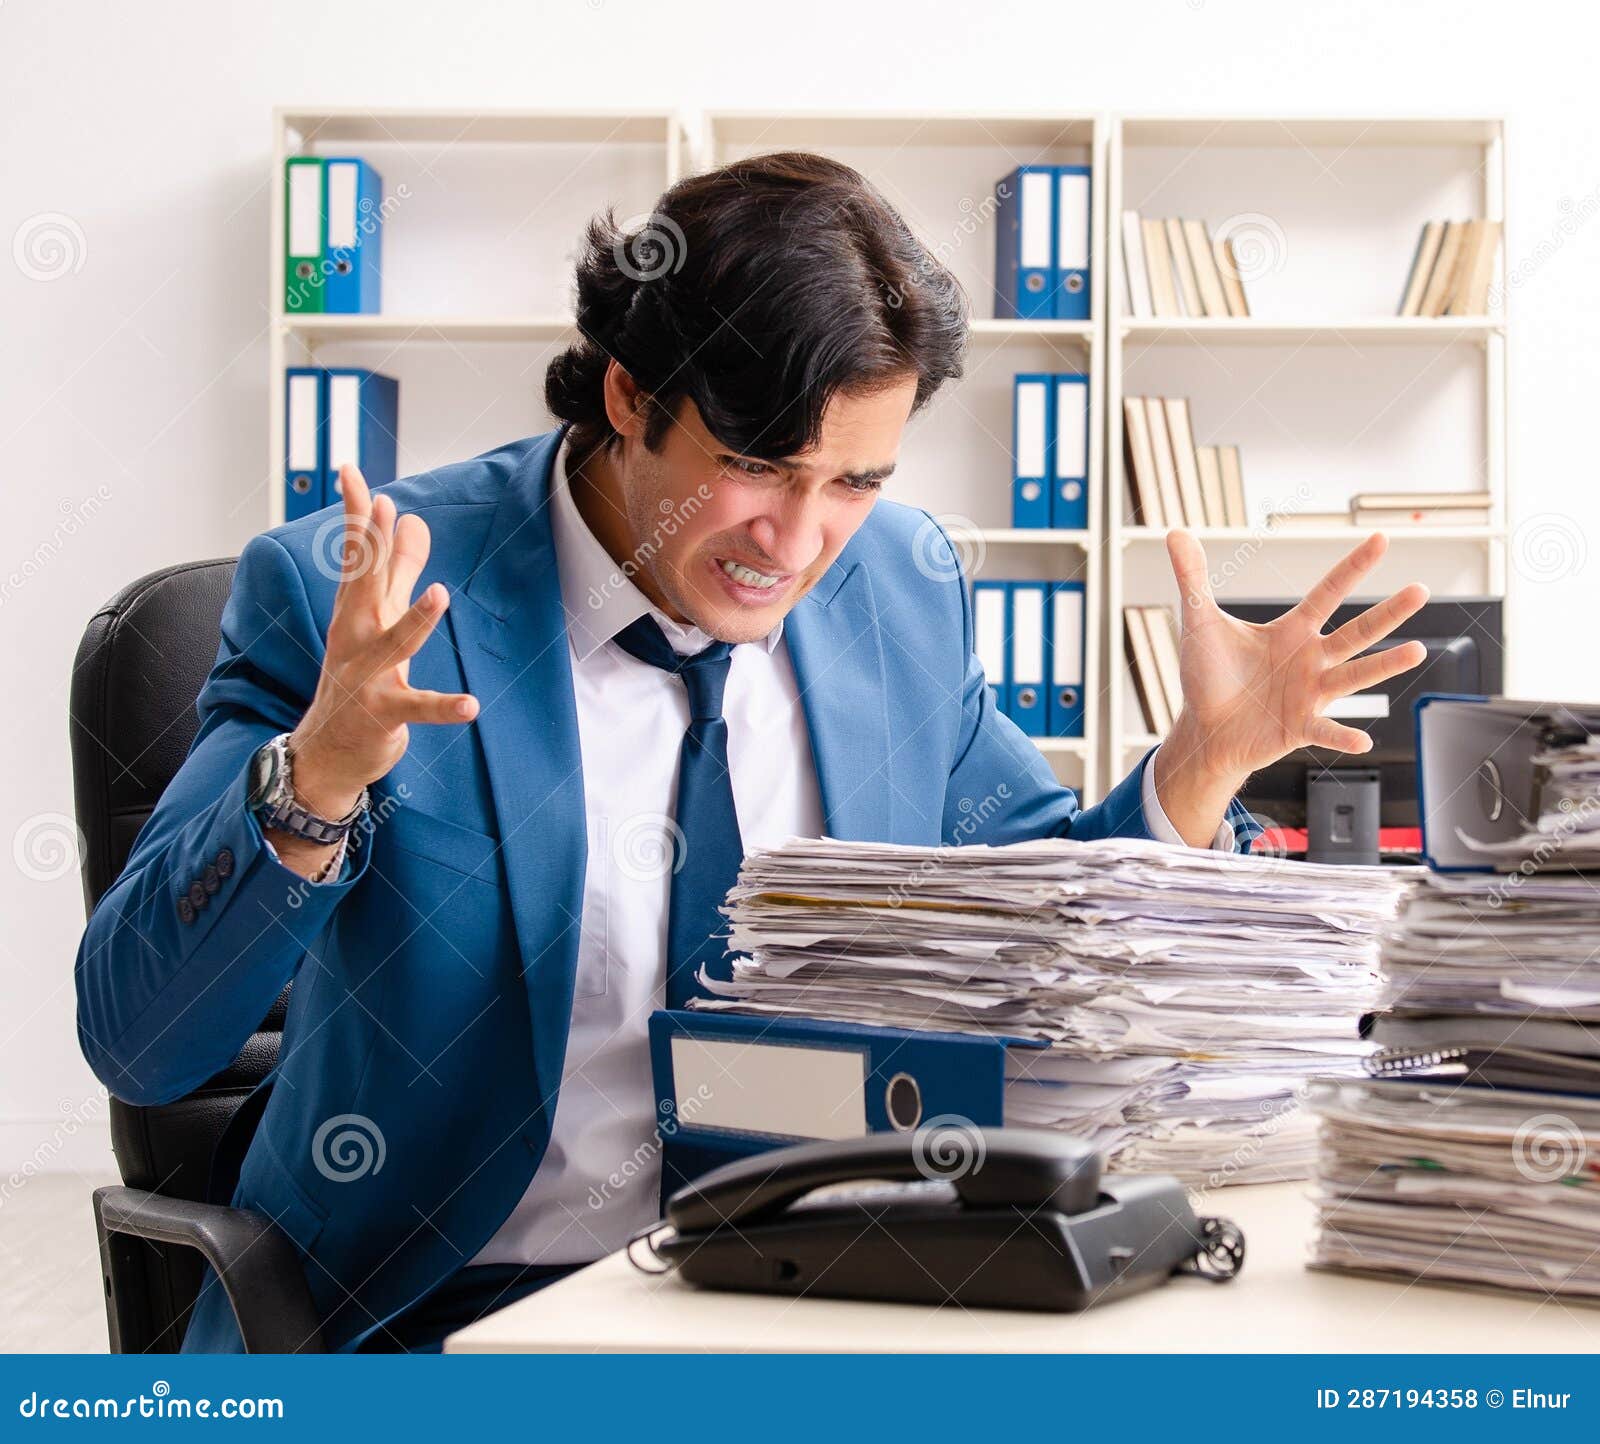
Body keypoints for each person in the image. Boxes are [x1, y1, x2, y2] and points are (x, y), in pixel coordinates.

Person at [75, 151, 1428, 1351]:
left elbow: (1030, 927)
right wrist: (315, 780)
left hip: (821, 1292)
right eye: (757, 465)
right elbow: (143, 1039)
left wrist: (1200, 762)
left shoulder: (895, 585)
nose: (797, 541)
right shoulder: (359, 593)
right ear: (628, 393)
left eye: (852, 481)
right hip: (447, 1307)